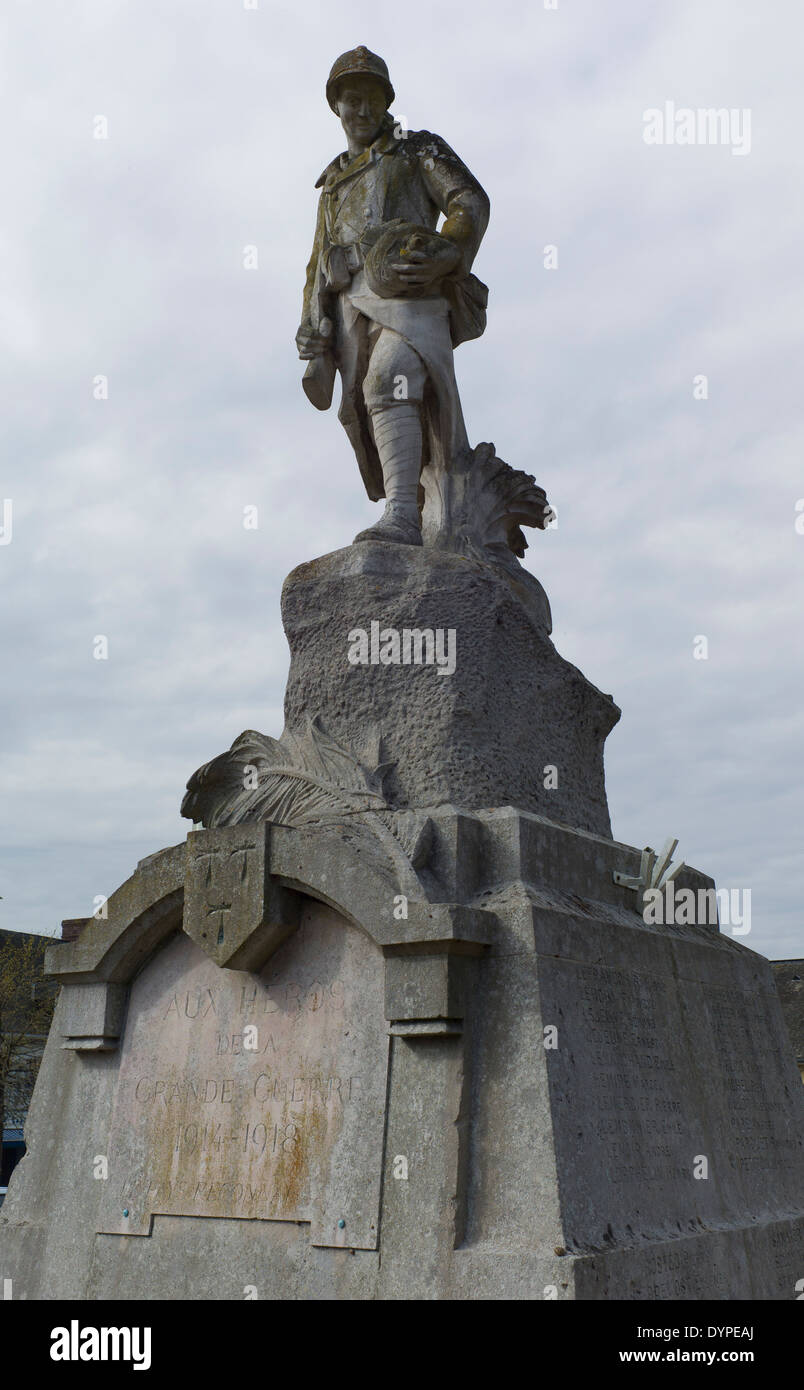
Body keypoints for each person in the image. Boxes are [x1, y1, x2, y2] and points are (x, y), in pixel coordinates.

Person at [296, 46, 490, 545]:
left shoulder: (416, 149)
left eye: (372, 100)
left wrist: (448, 251)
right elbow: (319, 261)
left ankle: (403, 516)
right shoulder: (333, 184)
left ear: (386, 104)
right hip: (350, 304)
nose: (362, 110)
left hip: (409, 290)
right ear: (336, 106)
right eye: (352, 100)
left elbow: (467, 201)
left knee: (390, 379)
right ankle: (417, 509)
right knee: (365, 402)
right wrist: (311, 326)